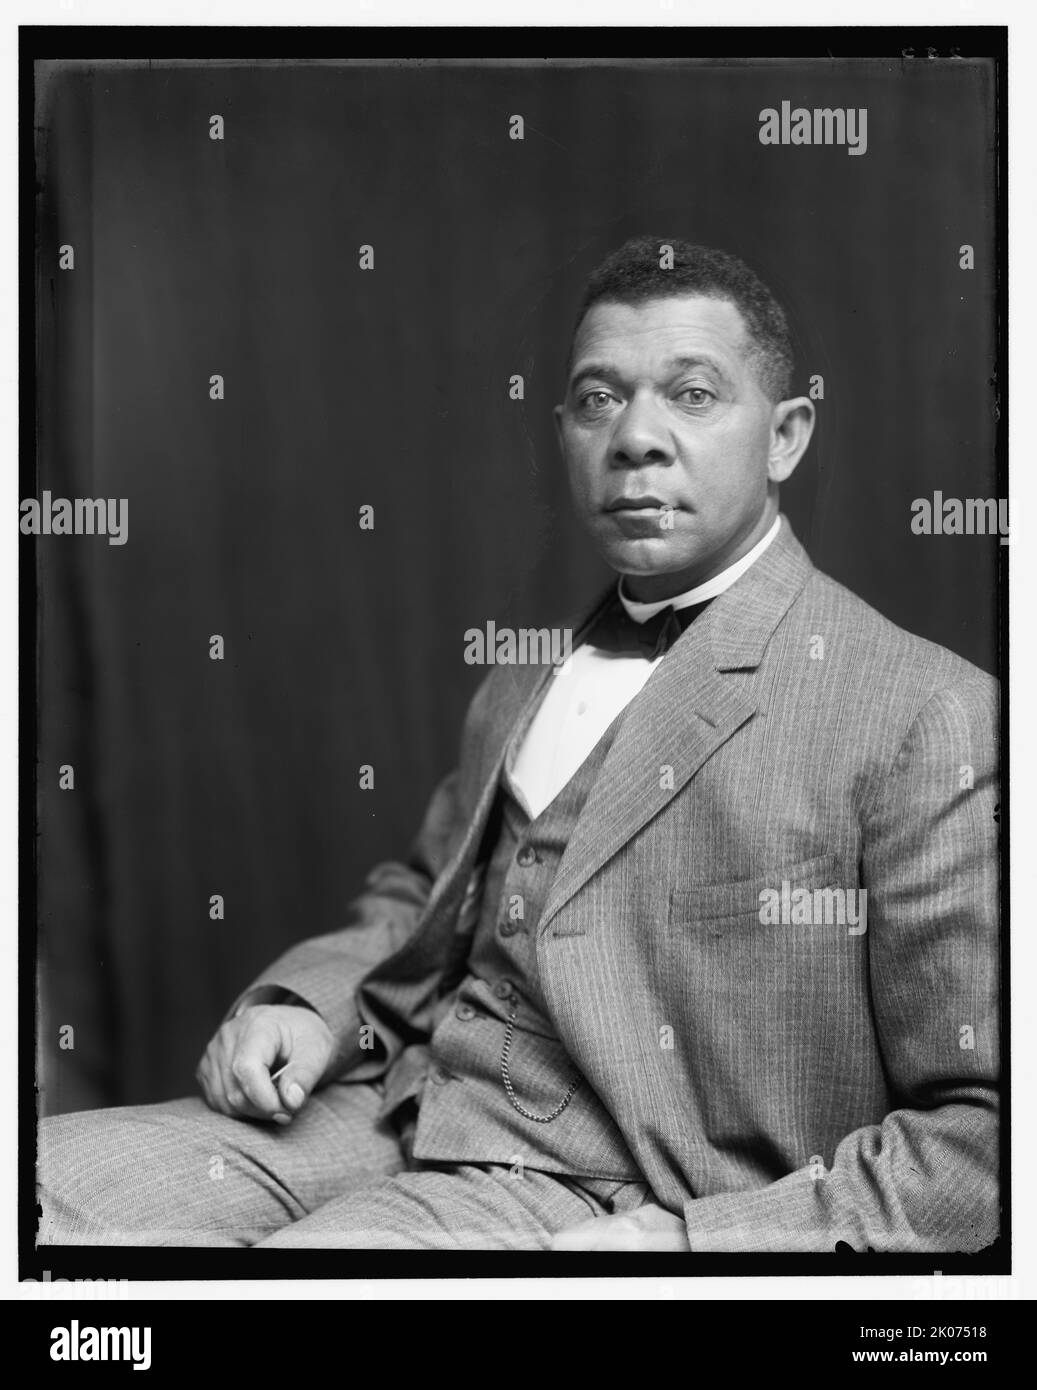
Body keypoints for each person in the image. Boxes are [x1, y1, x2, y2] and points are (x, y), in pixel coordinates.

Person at [37, 236, 999, 1252]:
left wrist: (687, 1248)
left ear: (786, 435)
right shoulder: (524, 673)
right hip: (401, 1107)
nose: (634, 436)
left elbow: (983, 1139)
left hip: (617, 1190)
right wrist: (315, 1005)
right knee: (45, 1186)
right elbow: (422, 901)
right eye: (596, 399)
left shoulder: (921, 713)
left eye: (692, 394)